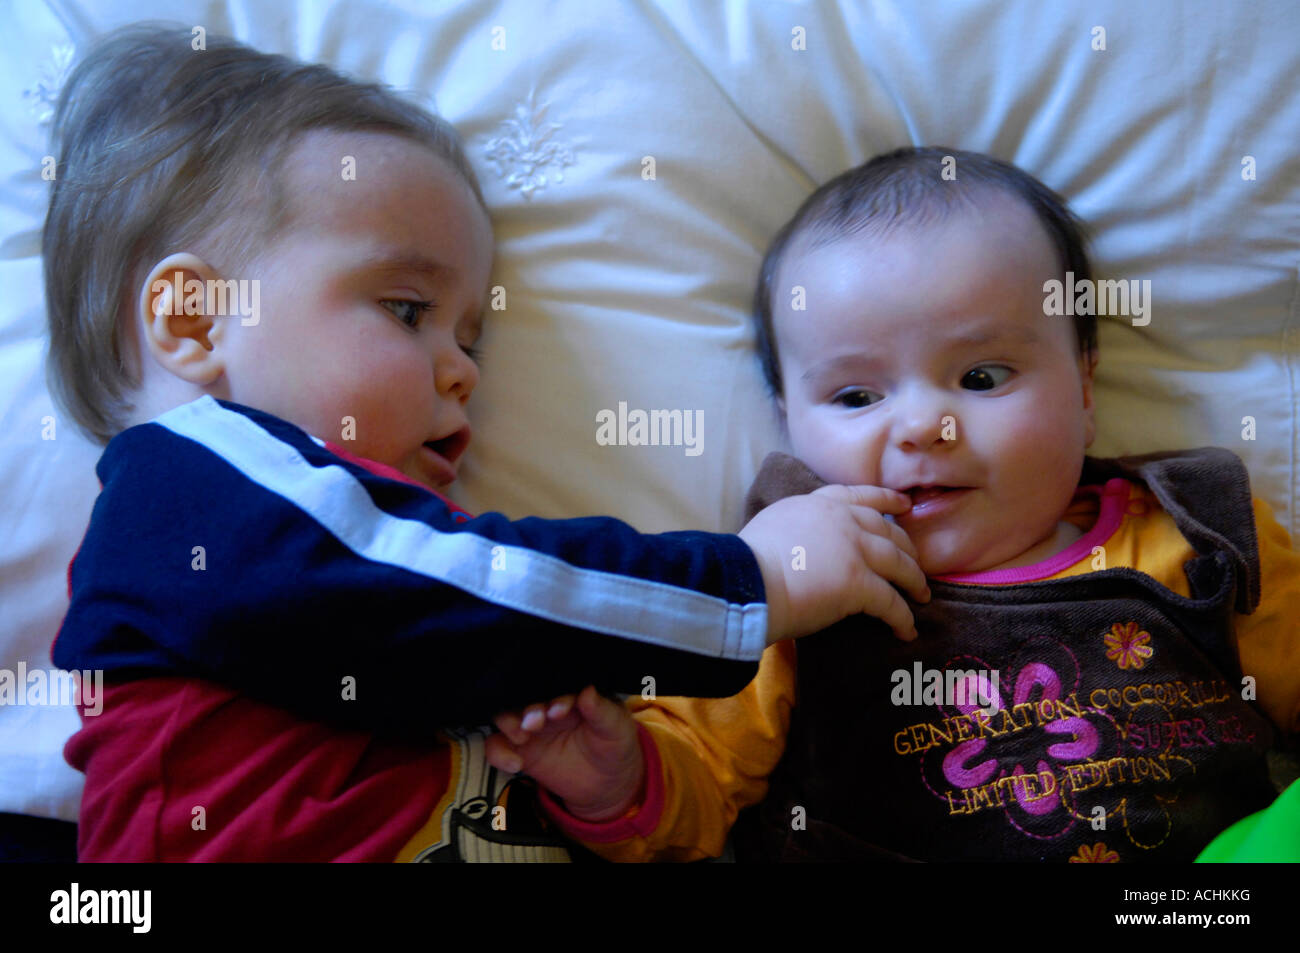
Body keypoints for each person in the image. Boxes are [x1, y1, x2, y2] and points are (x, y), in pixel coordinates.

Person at [43, 27, 928, 862]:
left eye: (472, 341)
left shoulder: (434, 579)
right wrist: (754, 580)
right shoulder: (184, 484)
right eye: (407, 311)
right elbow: (464, 588)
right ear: (194, 321)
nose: (463, 372)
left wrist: (606, 784)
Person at [489, 147, 1300, 862]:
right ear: (787, 423)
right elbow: (697, 792)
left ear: (1084, 386)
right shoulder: (793, 581)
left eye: (981, 377)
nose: (923, 425)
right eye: (855, 395)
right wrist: (615, 778)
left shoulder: (1200, 534)